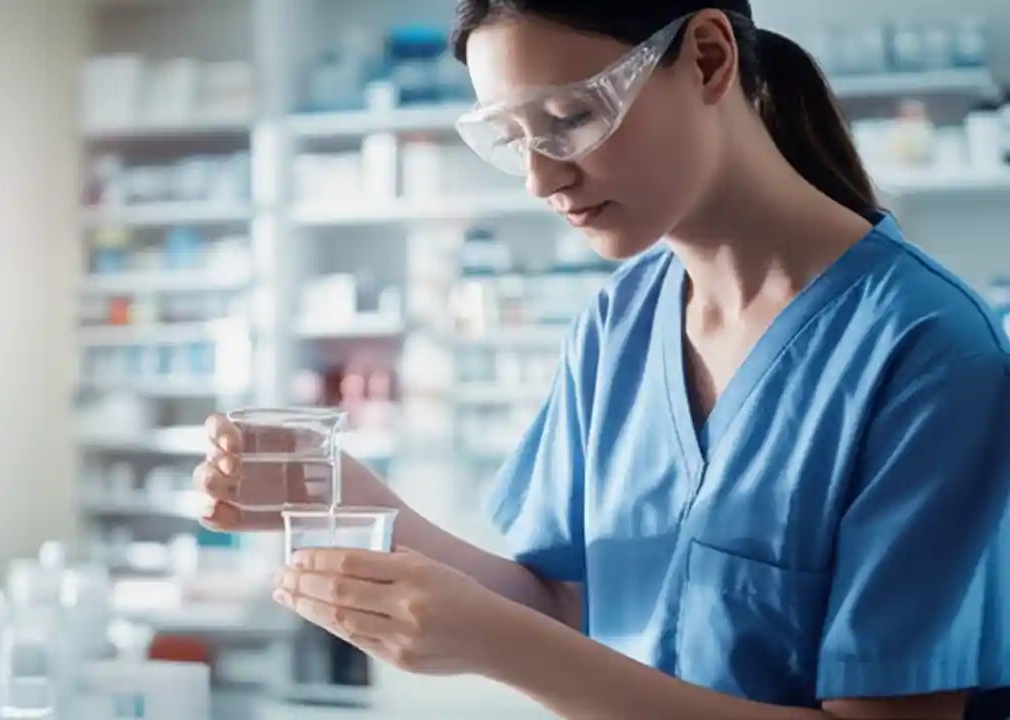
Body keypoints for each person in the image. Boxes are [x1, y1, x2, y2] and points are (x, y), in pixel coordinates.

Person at [196, 1, 1010, 717]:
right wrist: (340, 492)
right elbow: (565, 603)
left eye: (569, 117)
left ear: (708, 58)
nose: (540, 177)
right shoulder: (619, 322)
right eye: (513, 139)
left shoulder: (928, 351)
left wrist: (503, 648)